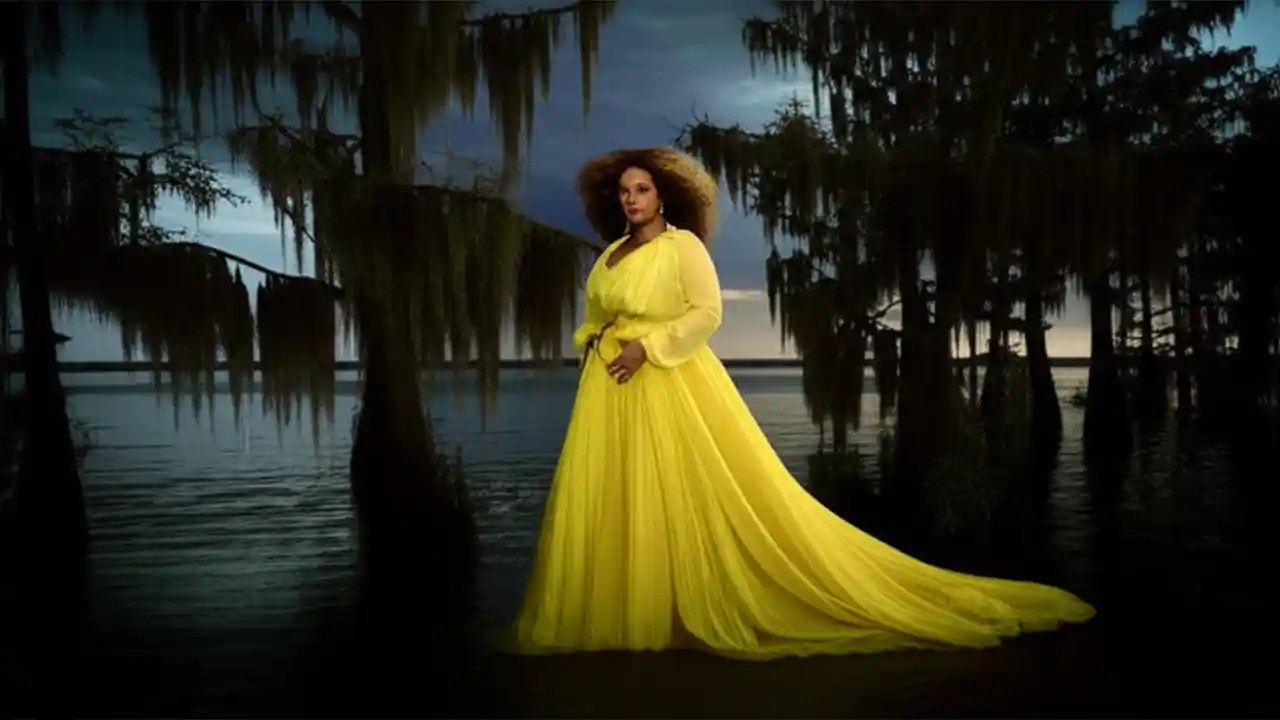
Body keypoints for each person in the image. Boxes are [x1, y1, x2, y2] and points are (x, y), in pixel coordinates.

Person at [502, 147, 1095, 660]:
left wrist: (648, 348)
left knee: (676, 486)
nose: (632, 199)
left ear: (664, 195)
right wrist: (594, 340)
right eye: (625, 191)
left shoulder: (682, 248)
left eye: (643, 189)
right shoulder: (611, 253)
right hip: (609, 390)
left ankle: (689, 603)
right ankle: (630, 607)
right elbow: (596, 314)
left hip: (665, 378)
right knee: (620, 491)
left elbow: (707, 314)